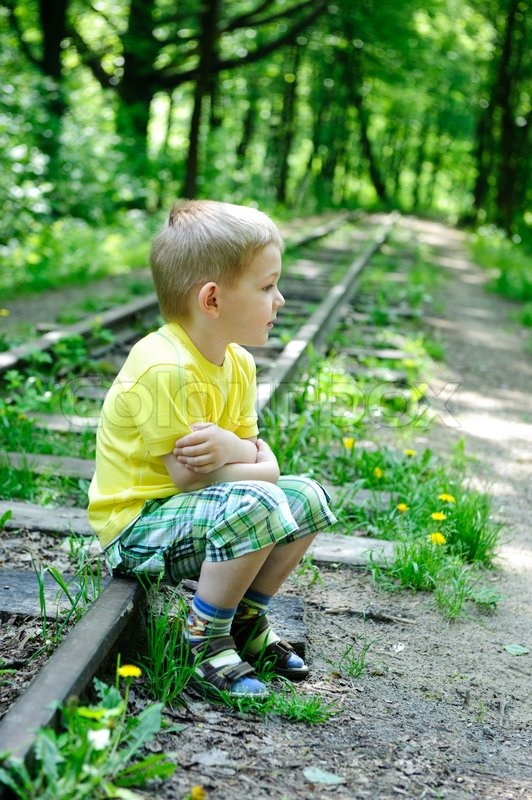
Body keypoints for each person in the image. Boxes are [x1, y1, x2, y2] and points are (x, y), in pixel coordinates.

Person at [88, 199, 337, 698]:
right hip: (140, 525)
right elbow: (191, 477)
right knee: (261, 498)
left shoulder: (238, 363)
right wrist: (258, 463)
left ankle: (243, 620)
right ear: (212, 300)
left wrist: (239, 452)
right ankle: (204, 639)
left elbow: (246, 454)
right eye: (267, 287)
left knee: (308, 494)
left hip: (195, 512)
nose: (280, 300)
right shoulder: (165, 367)